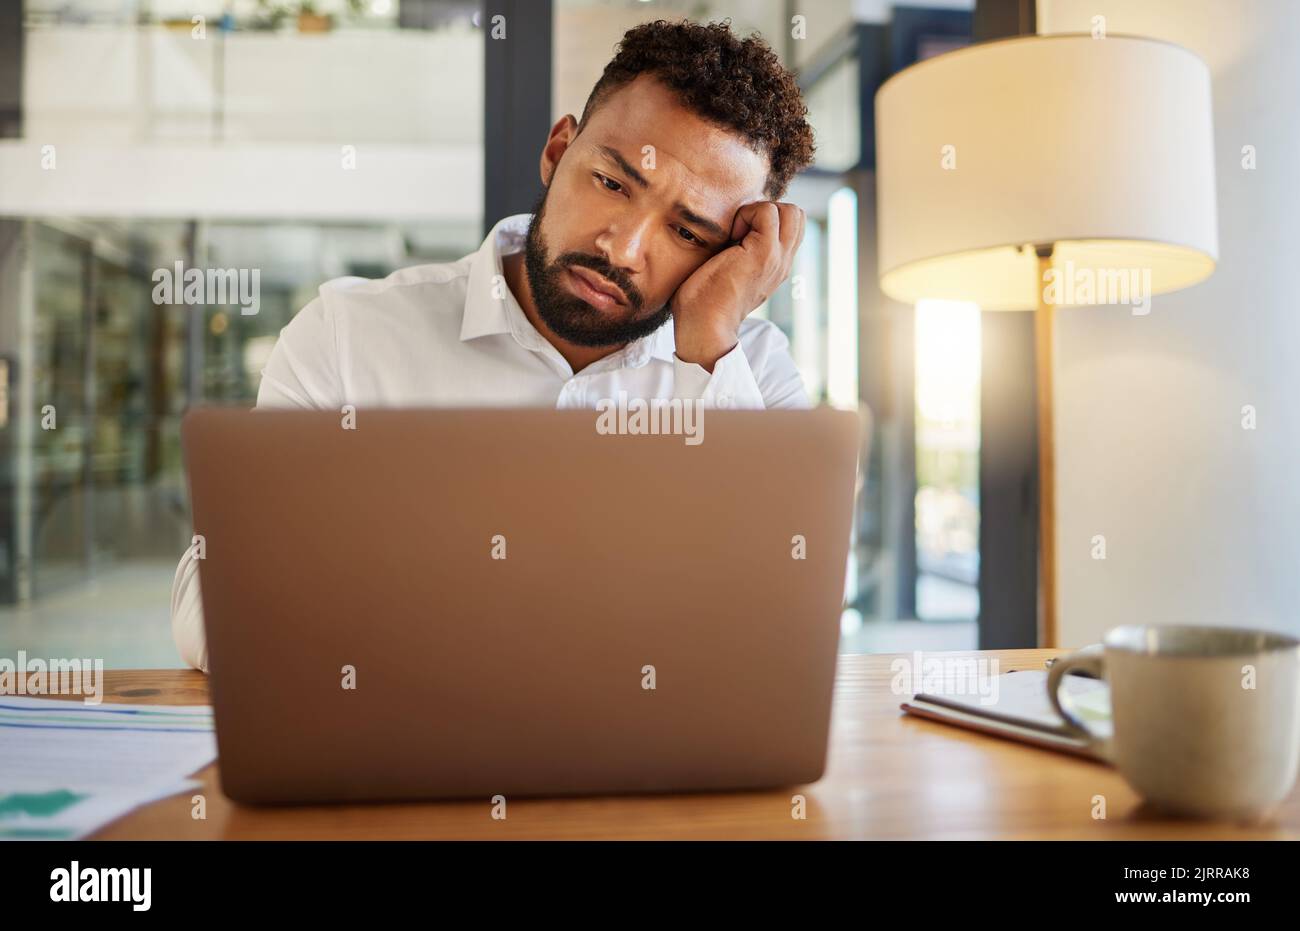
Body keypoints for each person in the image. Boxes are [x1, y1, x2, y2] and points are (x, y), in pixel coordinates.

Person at [171, 19, 817, 671]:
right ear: (558, 149)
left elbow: (783, 620)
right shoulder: (348, 336)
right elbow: (208, 614)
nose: (621, 248)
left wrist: (706, 348)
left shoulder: (749, 369)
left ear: (732, 251)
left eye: (686, 232)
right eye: (613, 183)